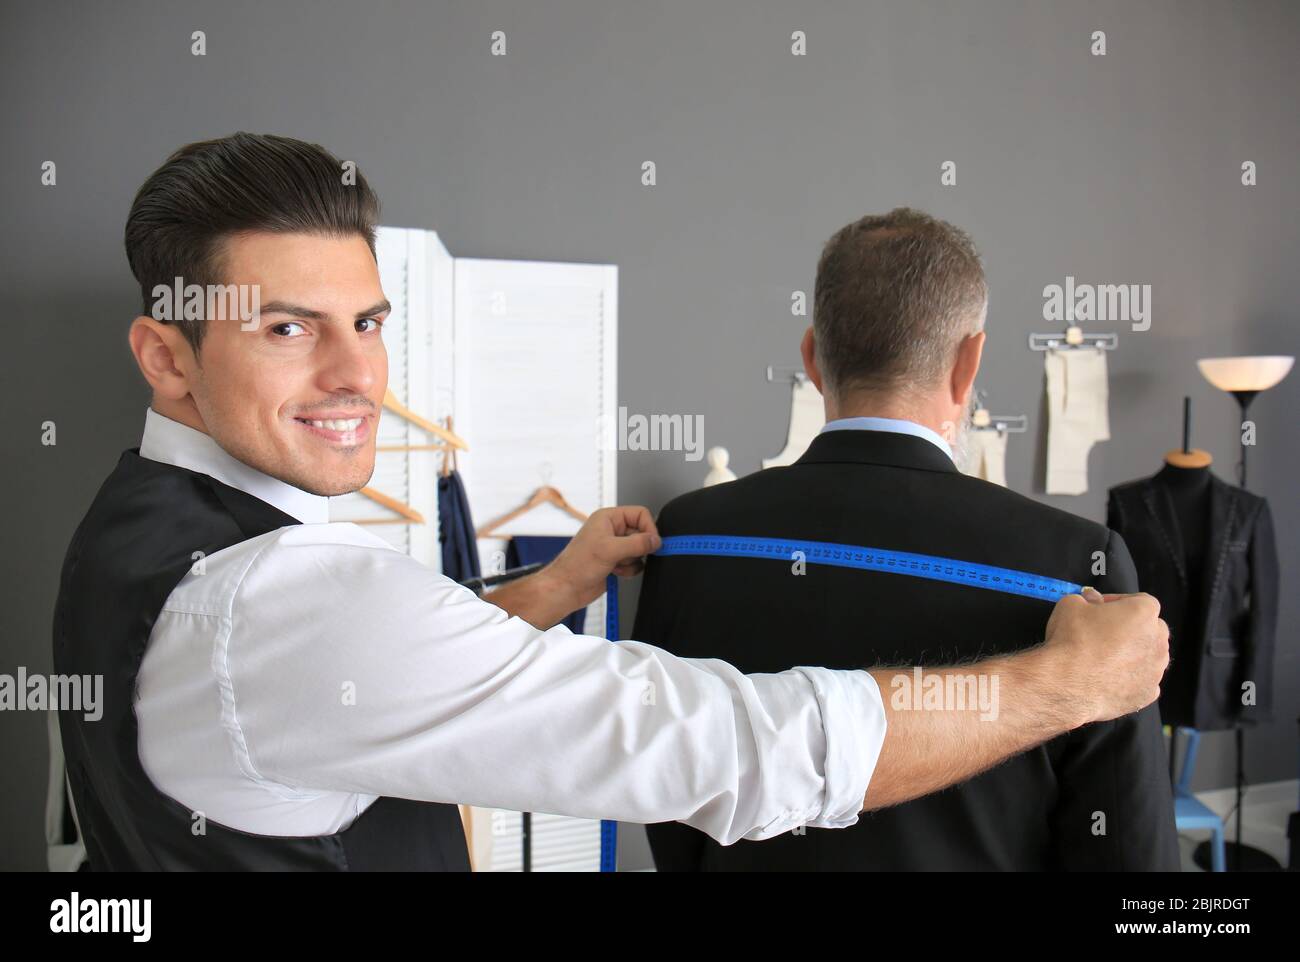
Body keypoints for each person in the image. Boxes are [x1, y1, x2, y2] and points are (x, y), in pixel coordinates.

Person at [53, 136, 1170, 870]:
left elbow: (362, 683)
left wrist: (545, 589)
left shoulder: (132, 533)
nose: (359, 377)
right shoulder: (287, 595)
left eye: (370, 322)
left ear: (811, 352)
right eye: (288, 327)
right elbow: (743, 751)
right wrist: (1064, 680)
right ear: (166, 355)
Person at [636, 208, 1179, 871]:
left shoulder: (689, 536)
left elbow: (664, 793)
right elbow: (1126, 853)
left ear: (812, 356)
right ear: (969, 362)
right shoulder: (1078, 565)